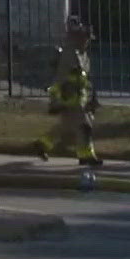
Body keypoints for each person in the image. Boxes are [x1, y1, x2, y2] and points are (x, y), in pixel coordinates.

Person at [34, 16, 103, 167]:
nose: (87, 41)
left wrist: (92, 97)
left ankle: (42, 145)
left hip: (79, 100)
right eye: (85, 38)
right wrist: (56, 101)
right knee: (85, 126)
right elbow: (60, 80)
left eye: (88, 38)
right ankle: (86, 156)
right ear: (77, 37)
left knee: (66, 126)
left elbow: (85, 79)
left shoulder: (82, 55)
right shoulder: (69, 54)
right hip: (70, 99)